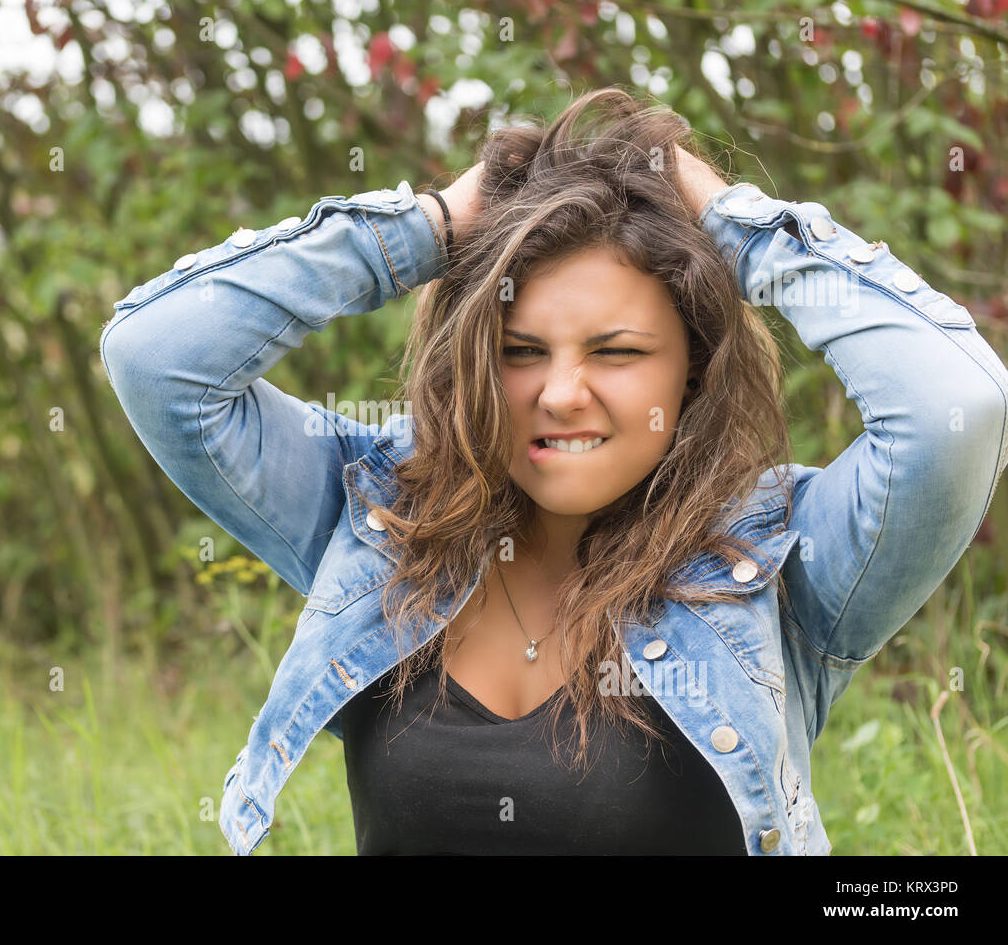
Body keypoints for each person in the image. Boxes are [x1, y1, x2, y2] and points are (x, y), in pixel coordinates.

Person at [99, 86, 1008, 855]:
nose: (560, 393)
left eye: (615, 352)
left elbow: (949, 409)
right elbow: (158, 357)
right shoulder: (377, 519)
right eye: (520, 349)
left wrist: (735, 225)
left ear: (690, 366)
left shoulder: (780, 559)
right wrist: (433, 226)